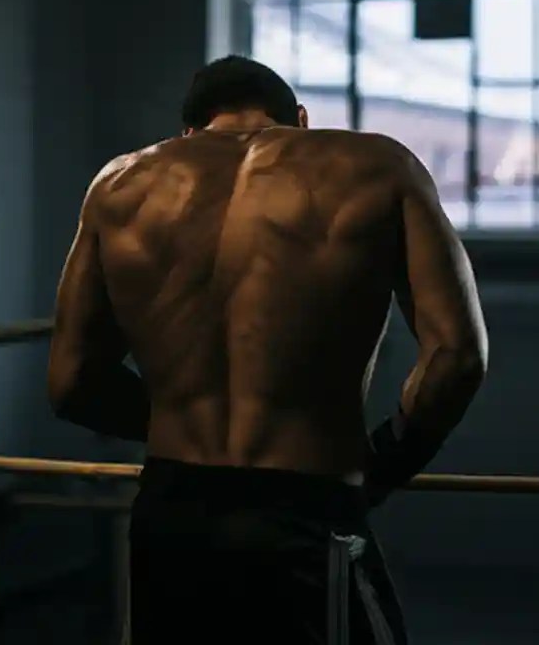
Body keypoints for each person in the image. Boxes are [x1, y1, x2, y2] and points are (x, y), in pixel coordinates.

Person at [47, 55, 488, 644]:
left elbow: (72, 380)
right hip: (305, 505)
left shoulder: (119, 184)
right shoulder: (379, 166)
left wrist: (186, 415)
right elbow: (457, 355)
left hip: (172, 511)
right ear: (299, 119)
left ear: (189, 133)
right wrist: (383, 463)